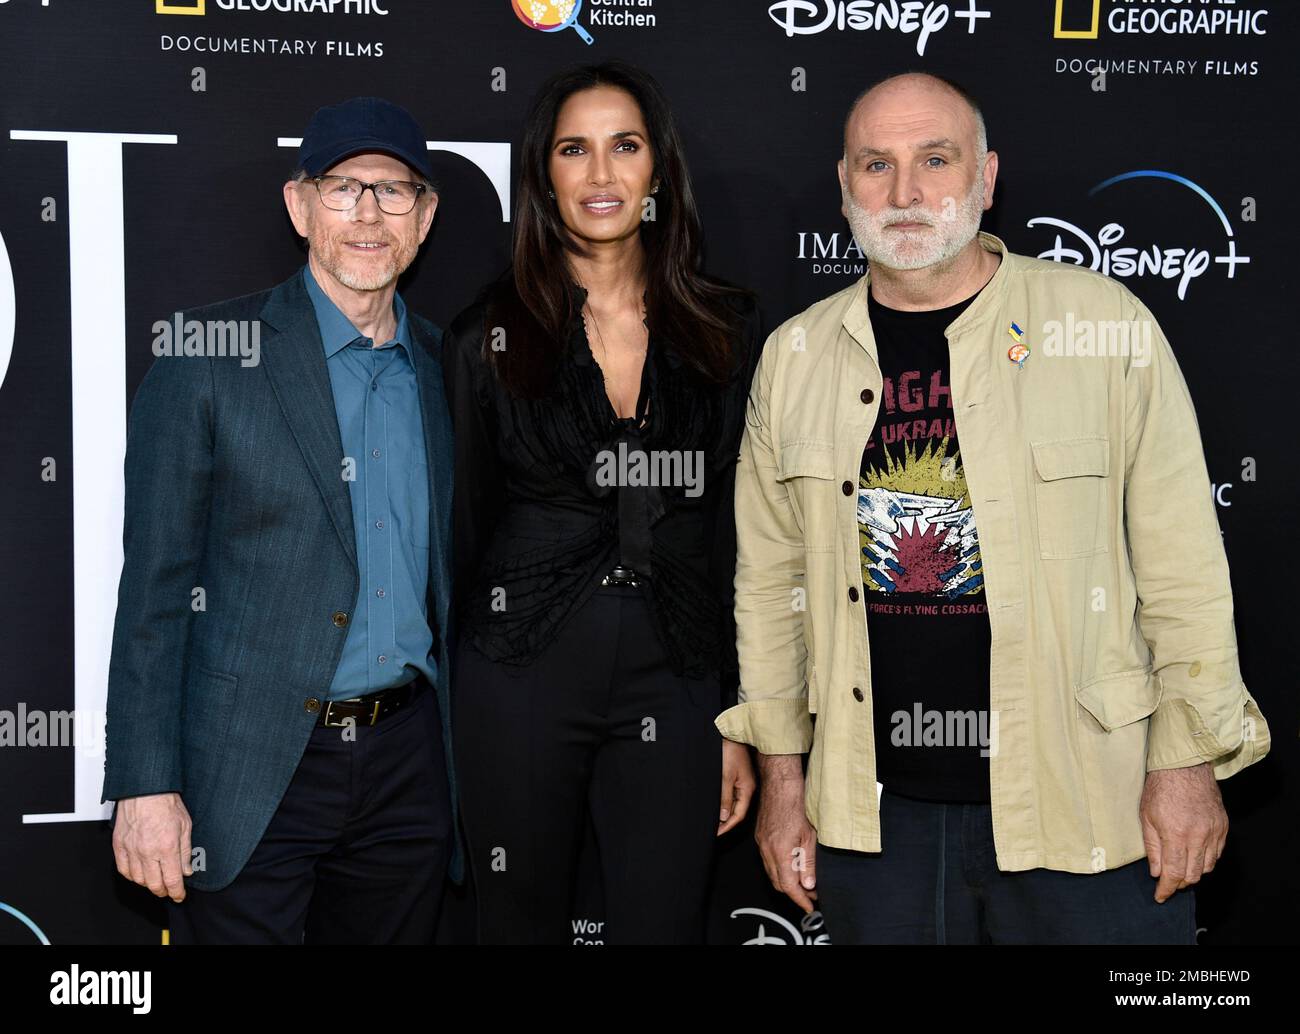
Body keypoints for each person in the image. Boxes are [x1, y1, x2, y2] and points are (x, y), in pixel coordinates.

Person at [718, 72, 1271, 945]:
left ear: (986, 177)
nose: (905, 193)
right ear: (843, 185)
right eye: (876, 165)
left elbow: (1184, 570)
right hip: (873, 819)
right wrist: (785, 781)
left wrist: (1188, 765)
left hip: (1090, 805)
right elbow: (769, 588)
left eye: (935, 160)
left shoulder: (1103, 326)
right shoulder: (794, 358)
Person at [102, 96, 461, 943]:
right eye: (343, 189)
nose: (368, 215)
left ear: (426, 217)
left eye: (394, 191)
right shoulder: (207, 356)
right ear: (300, 206)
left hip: (408, 766)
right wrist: (146, 786)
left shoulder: (455, 370)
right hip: (251, 765)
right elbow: (154, 589)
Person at [442, 61, 760, 944]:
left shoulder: (727, 334)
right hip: (519, 676)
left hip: (680, 675)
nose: (601, 174)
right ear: (544, 175)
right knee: (516, 925)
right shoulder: (487, 339)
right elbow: (462, 539)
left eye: (625, 146)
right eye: (572, 150)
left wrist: (738, 717)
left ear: (660, 168)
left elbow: (741, 542)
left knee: (665, 927)